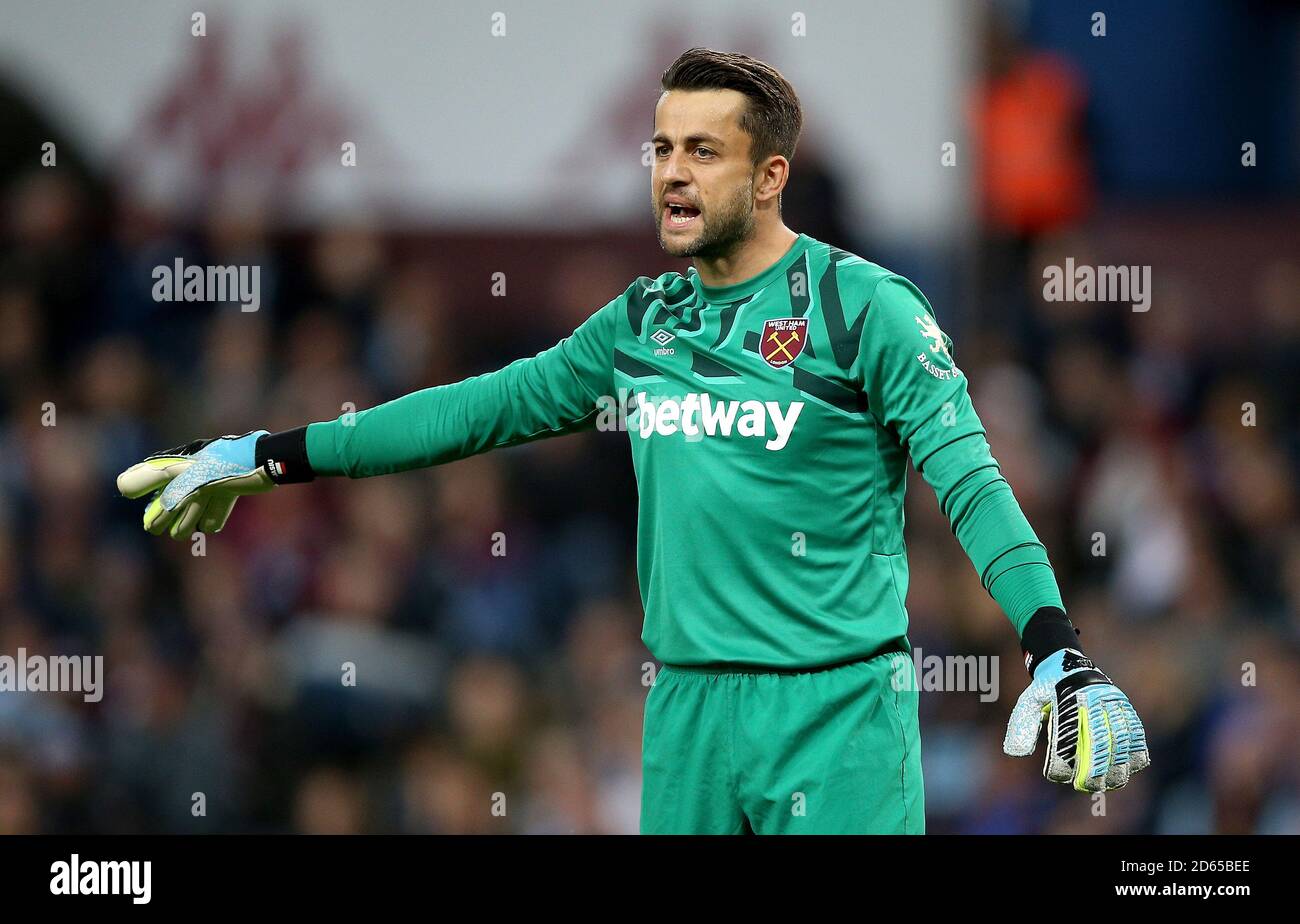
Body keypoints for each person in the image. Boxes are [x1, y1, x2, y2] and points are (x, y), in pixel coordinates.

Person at [118, 48, 1148, 834]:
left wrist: (1052, 649)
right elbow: (468, 413)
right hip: (686, 712)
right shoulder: (643, 324)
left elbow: (968, 479)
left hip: (837, 715)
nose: (671, 172)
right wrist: (267, 453)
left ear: (772, 173)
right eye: (661, 148)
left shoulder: (863, 308)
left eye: (704, 150)